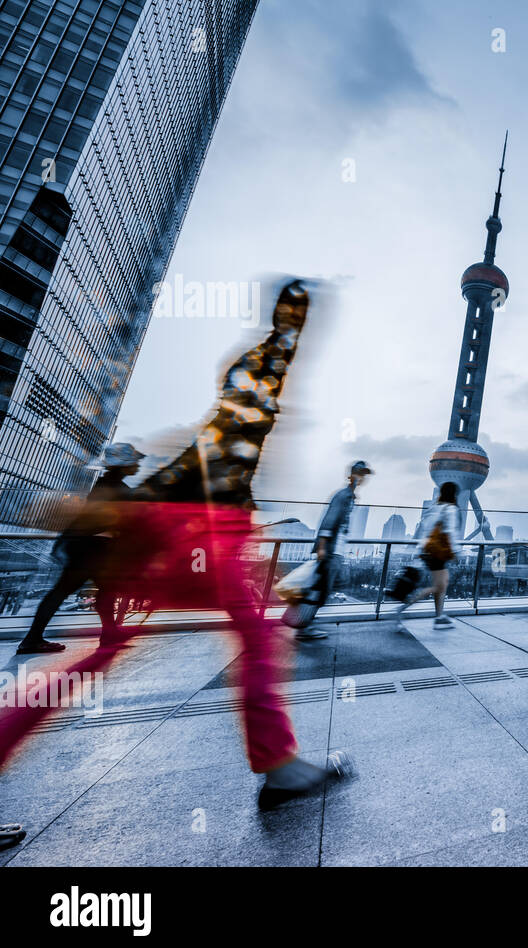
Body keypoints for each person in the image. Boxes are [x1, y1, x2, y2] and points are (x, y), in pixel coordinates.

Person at [0, 280, 351, 810]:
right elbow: (223, 433)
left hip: (185, 531)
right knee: (255, 640)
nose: (270, 400)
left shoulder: (227, 414)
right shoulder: (244, 410)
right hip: (208, 535)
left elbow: (186, 462)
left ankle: (280, 764)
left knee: (105, 654)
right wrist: (289, 327)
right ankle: (279, 766)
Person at [15, 443, 145, 654]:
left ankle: (108, 633)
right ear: (124, 465)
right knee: (73, 590)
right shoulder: (114, 488)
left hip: (87, 546)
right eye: (134, 461)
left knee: (99, 590)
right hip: (92, 548)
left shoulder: (108, 485)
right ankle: (34, 638)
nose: (138, 465)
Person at [292, 460, 372, 640]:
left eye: (364, 475)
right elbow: (329, 521)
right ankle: (303, 626)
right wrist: (322, 548)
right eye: (359, 474)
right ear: (351, 475)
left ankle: (304, 623)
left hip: (336, 550)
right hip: (330, 550)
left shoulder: (350, 497)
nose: (362, 478)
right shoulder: (344, 496)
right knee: (321, 589)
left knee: (325, 587)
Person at [396, 481, 461, 630]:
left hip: (428, 550)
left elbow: (425, 531)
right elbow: (449, 532)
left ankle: (439, 617)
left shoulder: (433, 508)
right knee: (438, 587)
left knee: (442, 584)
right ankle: (402, 609)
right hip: (438, 553)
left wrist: (421, 550)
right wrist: (456, 551)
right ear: (453, 495)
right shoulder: (450, 509)